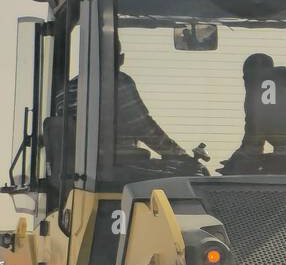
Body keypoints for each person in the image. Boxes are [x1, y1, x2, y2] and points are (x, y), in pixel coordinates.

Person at [50, 36, 190, 172]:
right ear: (120, 59)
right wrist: (178, 155)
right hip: (116, 166)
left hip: (82, 168)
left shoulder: (64, 91)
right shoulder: (118, 82)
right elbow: (143, 126)